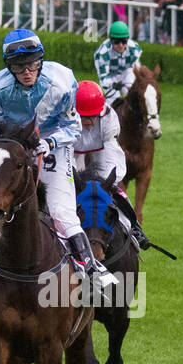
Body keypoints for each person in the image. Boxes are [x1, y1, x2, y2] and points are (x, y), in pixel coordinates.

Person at [0, 29, 113, 310]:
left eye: (32, 64)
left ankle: (92, 272)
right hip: (17, 146)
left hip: (55, 144)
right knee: (1, 211)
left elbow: (73, 126)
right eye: (19, 67)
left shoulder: (62, 82)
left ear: (40, 62)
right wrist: (17, 148)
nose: (27, 72)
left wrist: (47, 143)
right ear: (10, 68)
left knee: (61, 210)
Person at [71, 80, 150, 250]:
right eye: (84, 116)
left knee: (113, 189)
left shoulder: (109, 117)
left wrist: (106, 184)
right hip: (72, 150)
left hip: (103, 149)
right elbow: (67, 155)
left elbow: (112, 152)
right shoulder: (67, 117)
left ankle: (134, 228)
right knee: (67, 187)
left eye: (93, 115)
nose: (89, 121)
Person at [93, 20, 143, 107]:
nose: (120, 45)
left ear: (127, 40)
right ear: (111, 40)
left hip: (126, 72)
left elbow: (136, 70)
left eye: (124, 41)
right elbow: (104, 78)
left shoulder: (134, 49)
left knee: (134, 97)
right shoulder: (102, 53)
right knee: (115, 100)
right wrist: (113, 84)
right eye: (116, 42)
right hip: (110, 76)